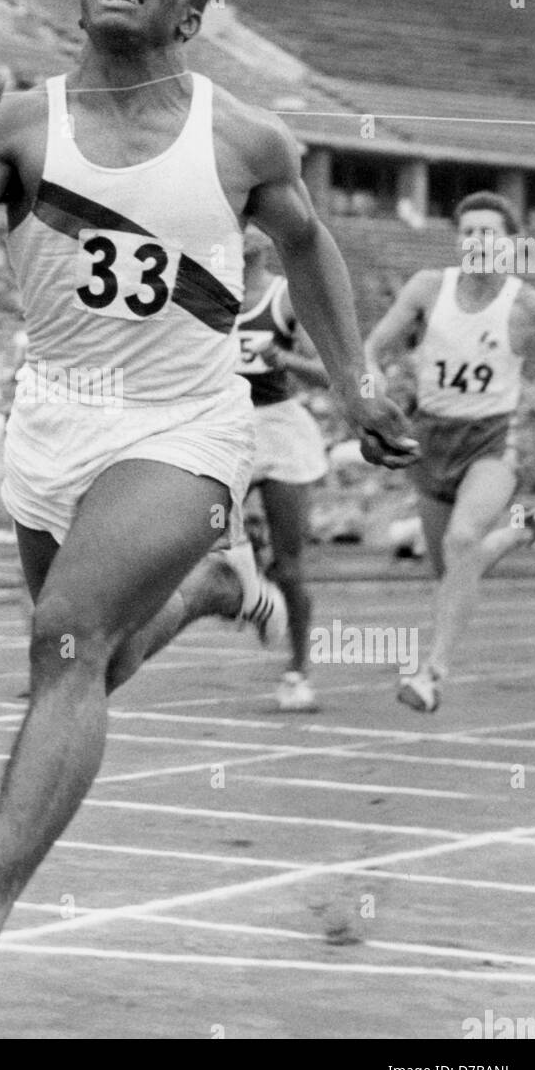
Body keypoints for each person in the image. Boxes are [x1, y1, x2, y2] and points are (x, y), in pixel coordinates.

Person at [0, 0, 417, 1002]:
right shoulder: (21, 126)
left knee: (64, 637)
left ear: (192, 13)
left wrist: (354, 386)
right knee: (93, 663)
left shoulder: (244, 139)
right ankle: (212, 586)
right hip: (52, 426)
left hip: (186, 429)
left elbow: (307, 254)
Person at [366, 191, 535, 712]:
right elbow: (372, 347)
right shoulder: (429, 287)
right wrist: (370, 380)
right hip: (431, 441)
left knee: (464, 539)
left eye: (488, 232)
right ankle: (524, 530)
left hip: (494, 442)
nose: (476, 241)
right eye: (468, 231)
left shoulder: (528, 304)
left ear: (510, 243)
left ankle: (432, 674)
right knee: (453, 568)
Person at [227, 224, 330, 711]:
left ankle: (297, 671)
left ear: (267, 240)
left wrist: (283, 357)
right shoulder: (206, 292)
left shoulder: (285, 297)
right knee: (204, 544)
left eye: (253, 225)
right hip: (226, 429)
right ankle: (254, 585)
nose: (243, 233)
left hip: (280, 431)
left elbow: (328, 370)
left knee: (291, 566)